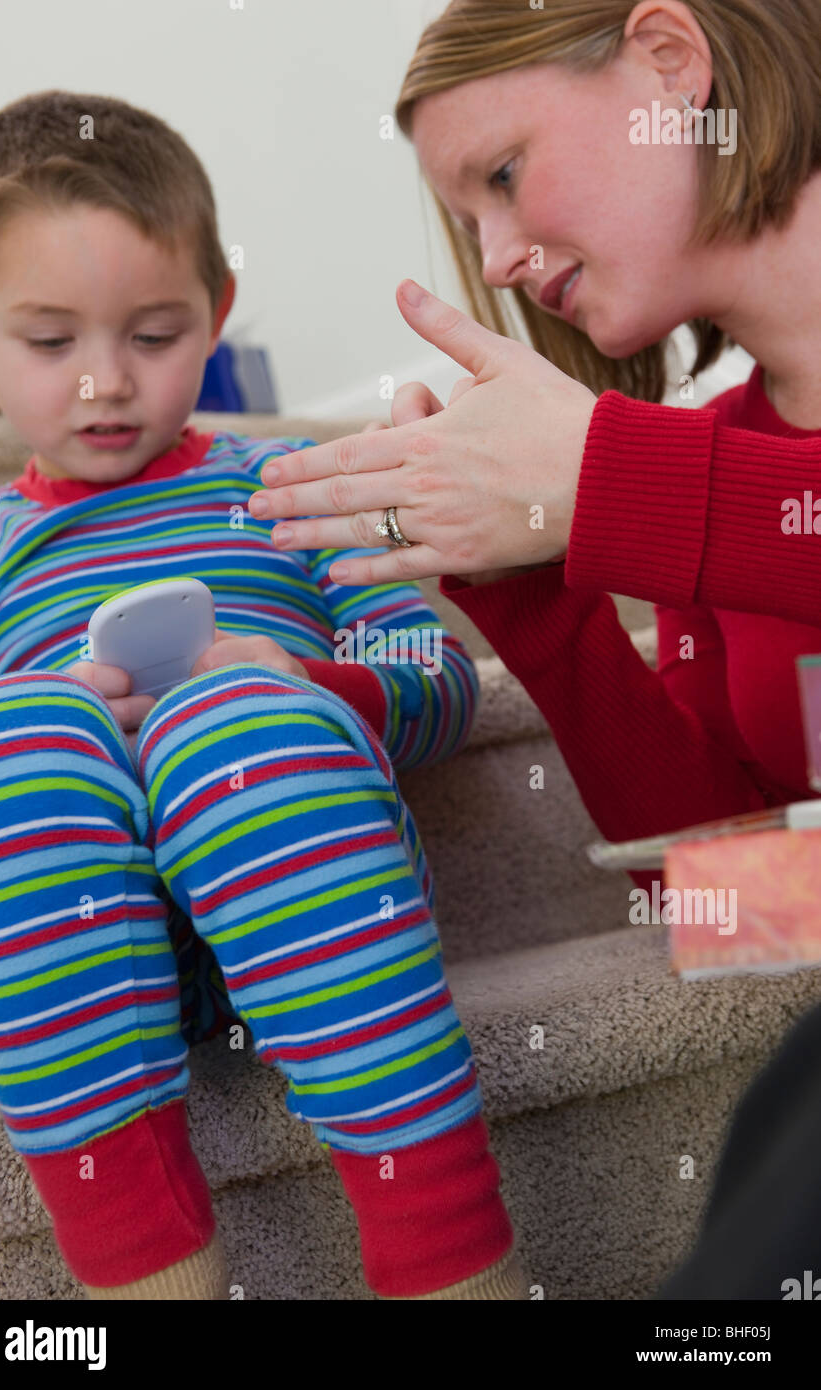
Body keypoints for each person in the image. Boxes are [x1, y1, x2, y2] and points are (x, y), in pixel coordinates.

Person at [0, 90, 524, 1301]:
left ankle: (444, 1263)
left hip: (306, 881)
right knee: (4, 734)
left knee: (230, 724)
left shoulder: (295, 486)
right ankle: (144, 1283)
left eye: (154, 333)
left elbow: (437, 683)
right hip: (73, 948)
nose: (105, 381)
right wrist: (55, 707)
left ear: (215, 311)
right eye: (50, 343)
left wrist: (296, 676)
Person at [248, 0, 821, 904]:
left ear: (670, 65)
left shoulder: (662, 477)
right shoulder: (699, 463)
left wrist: (612, 478)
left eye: (504, 176)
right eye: (470, 225)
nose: (499, 260)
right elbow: (725, 895)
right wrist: (533, 600)